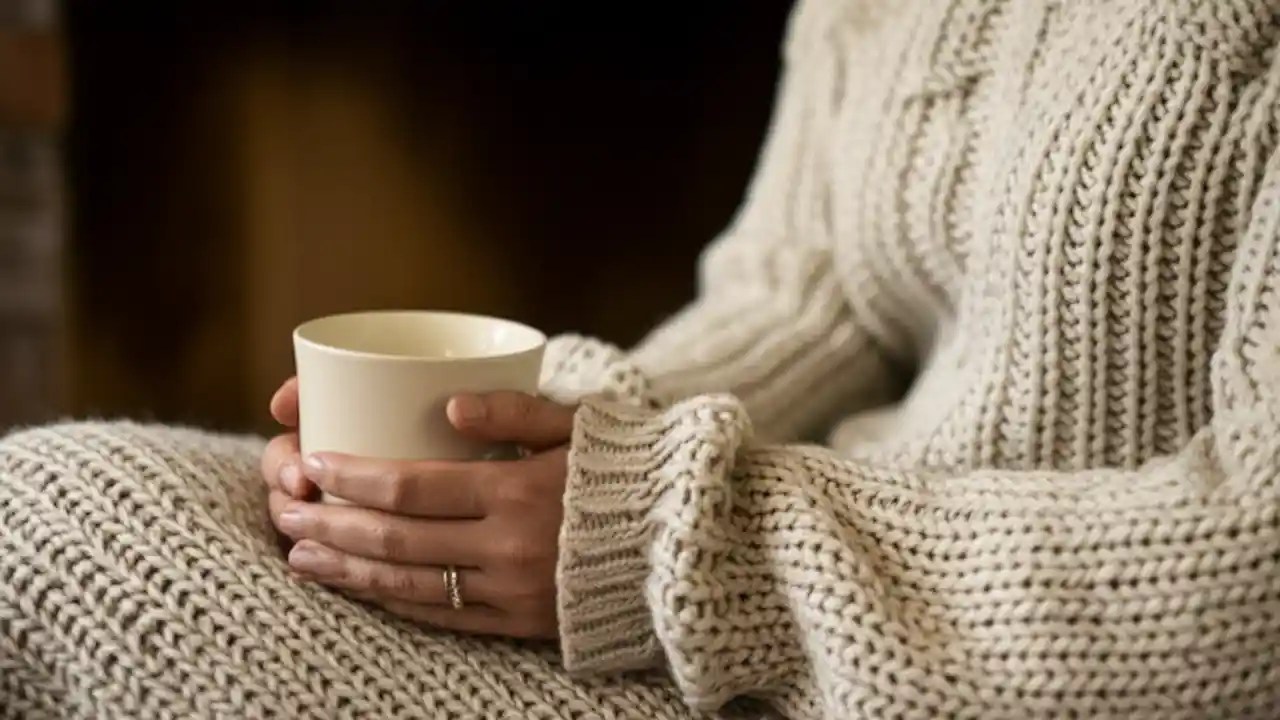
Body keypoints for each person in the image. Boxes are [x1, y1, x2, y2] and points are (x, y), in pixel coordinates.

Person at [4, 1, 1280, 717]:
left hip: (931, 657)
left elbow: (1258, 569)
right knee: (48, 502)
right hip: (760, 611)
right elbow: (804, 296)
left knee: (49, 541)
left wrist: (672, 537)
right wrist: (542, 448)